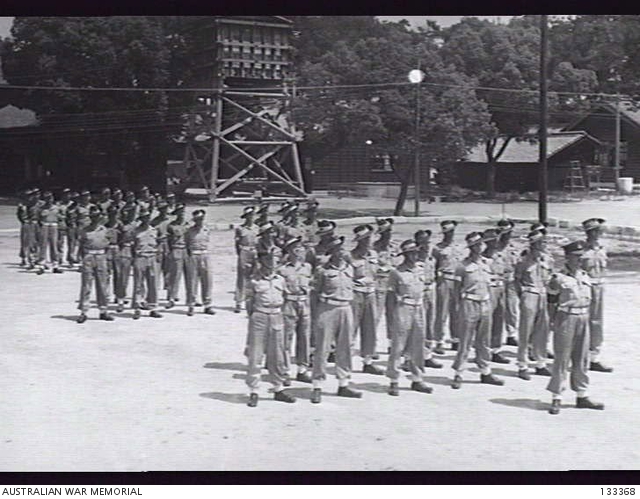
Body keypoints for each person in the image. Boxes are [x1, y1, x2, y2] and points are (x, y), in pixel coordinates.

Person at [546, 240, 604, 414]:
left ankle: (582, 395)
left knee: (582, 358)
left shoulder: (585, 275)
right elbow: (551, 301)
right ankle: (557, 397)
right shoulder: (558, 278)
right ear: (567, 257)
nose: (580, 260)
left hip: (583, 317)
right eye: (576, 257)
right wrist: (552, 321)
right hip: (566, 317)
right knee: (562, 358)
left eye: (581, 257)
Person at [311, 235, 362, 404]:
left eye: (342, 249)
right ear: (330, 252)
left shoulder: (350, 269)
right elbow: (314, 294)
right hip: (327, 308)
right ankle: (317, 385)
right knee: (323, 348)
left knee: (346, 347)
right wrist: (315, 316)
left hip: (346, 308)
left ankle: (343, 384)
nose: (341, 253)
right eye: (337, 250)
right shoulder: (322, 270)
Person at [451, 232, 505, 389]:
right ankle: (459, 373)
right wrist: (459, 308)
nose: (479, 247)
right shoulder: (463, 266)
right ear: (471, 248)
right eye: (475, 245)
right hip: (469, 303)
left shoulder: (487, 263)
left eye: (480, 244)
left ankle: (485, 371)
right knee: (466, 340)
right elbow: (456, 290)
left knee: (484, 341)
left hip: (485, 303)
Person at [244, 248, 296, 407]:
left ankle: (278, 388)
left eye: (276, 258)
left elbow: (287, 299)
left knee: (277, 355)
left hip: (277, 317)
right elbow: (249, 303)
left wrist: (280, 315)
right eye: (269, 258)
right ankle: (254, 391)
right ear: (262, 260)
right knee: (256, 355)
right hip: (260, 317)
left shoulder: (281, 279)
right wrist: (256, 317)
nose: (273, 262)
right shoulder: (254, 280)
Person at [386, 239, 436, 396]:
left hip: (419, 307)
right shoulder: (397, 272)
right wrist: (392, 318)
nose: (415, 256)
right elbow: (390, 297)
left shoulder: (421, 269)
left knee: (418, 344)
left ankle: (417, 378)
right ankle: (394, 380)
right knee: (398, 346)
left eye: (416, 252)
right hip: (403, 308)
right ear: (405, 255)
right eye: (411, 253)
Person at [514, 229, 553, 380]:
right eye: (542, 242)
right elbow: (516, 280)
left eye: (545, 241)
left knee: (542, 330)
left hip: (543, 294)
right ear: (534, 244)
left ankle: (540, 363)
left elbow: (549, 277)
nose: (545, 244)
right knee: (525, 331)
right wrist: (523, 296)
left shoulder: (547, 259)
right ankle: (522, 365)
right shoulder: (524, 261)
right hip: (529, 294)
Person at [278, 236, 313, 383]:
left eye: (302, 248)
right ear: (291, 251)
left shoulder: (308, 267)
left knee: (304, 337)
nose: (301, 251)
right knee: (286, 338)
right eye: (297, 248)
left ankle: (302, 369)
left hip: (304, 304)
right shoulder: (282, 269)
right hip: (289, 305)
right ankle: (285, 371)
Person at [580, 217, 613, 373]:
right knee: (582, 322)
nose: (598, 234)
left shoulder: (602, 248)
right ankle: (579, 357)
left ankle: (594, 358)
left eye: (599, 231)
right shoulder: (581, 250)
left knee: (597, 323)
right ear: (589, 233)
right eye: (595, 231)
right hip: (585, 289)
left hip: (599, 288)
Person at [350, 224, 383, 375]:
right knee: (351, 328)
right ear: (360, 241)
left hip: (371, 293)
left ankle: (368, 361)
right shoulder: (351, 256)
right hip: (356, 294)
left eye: (370, 238)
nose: (369, 241)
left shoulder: (374, 255)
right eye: (366, 239)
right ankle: (346, 360)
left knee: (370, 328)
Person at [76, 206, 114, 323]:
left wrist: (108, 261)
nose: (95, 219)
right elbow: (81, 247)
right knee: (86, 284)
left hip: (101, 257)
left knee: (102, 285)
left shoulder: (105, 230)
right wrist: (81, 261)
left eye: (97, 216)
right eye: (92, 217)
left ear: (100, 217)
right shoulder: (84, 230)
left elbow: (108, 246)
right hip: (89, 257)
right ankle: (84, 311)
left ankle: (103, 310)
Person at [415, 230, 442, 369]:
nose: (425, 245)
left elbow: (438, 270)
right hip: (419, 292)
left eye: (427, 242)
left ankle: (427, 355)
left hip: (431, 289)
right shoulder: (413, 259)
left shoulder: (432, 257)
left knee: (430, 323)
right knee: (418, 324)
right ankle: (410, 357)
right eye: (422, 242)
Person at [482, 228, 510, 364]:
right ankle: (484, 348)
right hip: (490, 288)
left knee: (499, 318)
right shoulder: (483, 258)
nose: (495, 242)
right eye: (492, 240)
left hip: (500, 287)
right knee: (488, 320)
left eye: (496, 239)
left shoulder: (499, 256)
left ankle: (495, 350)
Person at [433, 220, 462, 353]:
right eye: (447, 232)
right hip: (444, 279)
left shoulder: (459, 246)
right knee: (442, 311)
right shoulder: (438, 248)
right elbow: (434, 266)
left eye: (452, 232)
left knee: (456, 311)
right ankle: (439, 340)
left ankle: (456, 338)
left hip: (457, 280)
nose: (450, 234)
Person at [131, 209, 163, 319]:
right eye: (144, 218)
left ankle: (153, 307)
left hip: (152, 257)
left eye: (148, 217)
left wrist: (158, 254)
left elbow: (159, 244)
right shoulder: (136, 231)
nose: (146, 219)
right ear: (141, 219)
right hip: (140, 257)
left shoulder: (155, 230)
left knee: (153, 283)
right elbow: (131, 246)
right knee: (139, 283)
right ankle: (137, 307)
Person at [372, 217, 397, 352]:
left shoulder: (395, 246)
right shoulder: (374, 247)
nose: (387, 235)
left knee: (393, 315)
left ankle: (392, 342)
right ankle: (372, 344)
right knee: (376, 315)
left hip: (393, 284)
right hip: (379, 283)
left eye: (389, 232)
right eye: (384, 232)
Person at [185, 209, 215, 316]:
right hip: (193, 255)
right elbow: (186, 244)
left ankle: (207, 305)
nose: (200, 221)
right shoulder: (189, 231)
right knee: (192, 280)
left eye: (202, 219)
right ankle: (191, 305)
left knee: (207, 279)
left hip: (205, 255)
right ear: (194, 220)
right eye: (198, 219)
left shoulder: (207, 229)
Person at [496, 219, 520, 347]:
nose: (506, 235)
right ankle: (495, 336)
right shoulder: (493, 247)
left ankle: (511, 334)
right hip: (498, 279)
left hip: (511, 279)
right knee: (497, 308)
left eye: (508, 232)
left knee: (511, 308)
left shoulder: (515, 247)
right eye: (503, 232)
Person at [166, 203, 190, 309]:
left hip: (187, 250)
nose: (182, 214)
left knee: (191, 276)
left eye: (183, 212)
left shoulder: (188, 225)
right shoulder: (171, 226)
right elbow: (168, 241)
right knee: (175, 275)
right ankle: (171, 298)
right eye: (180, 212)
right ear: (176, 213)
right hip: (176, 249)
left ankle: (191, 298)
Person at [234, 206, 258, 313]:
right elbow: (236, 244)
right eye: (249, 215)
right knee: (242, 277)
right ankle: (239, 302)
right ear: (246, 217)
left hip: (255, 252)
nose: (251, 217)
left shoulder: (257, 228)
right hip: (244, 251)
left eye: (252, 215)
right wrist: (241, 254)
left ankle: (252, 301)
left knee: (254, 277)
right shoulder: (240, 228)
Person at [115, 204, 138, 313]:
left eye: (132, 212)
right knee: (122, 277)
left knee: (139, 279)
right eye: (128, 212)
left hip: (136, 252)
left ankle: (139, 300)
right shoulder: (119, 225)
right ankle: (120, 300)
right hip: (123, 251)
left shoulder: (136, 225)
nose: (130, 214)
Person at [35, 191, 63, 274]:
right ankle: (42, 265)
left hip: (54, 226)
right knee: (43, 245)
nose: (49, 200)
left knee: (54, 246)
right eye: (47, 198)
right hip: (44, 226)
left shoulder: (57, 208)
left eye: (50, 198)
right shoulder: (41, 208)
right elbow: (38, 218)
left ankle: (55, 265)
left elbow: (62, 217)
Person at [151, 200, 172, 296]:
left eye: (165, 208)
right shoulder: (154, 222)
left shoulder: (171, 220)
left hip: (169, 245)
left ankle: (170, 294)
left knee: (169, 270)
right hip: (158, 246)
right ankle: (155, 293)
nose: (163, 210)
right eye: (161, 209)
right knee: (156, 270)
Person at [104, 204, 122, 303]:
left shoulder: (120, 225)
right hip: (108, 249)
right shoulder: (105, 226)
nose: (113, 215)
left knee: (118, 273)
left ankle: (118, 296)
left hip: (117, 248)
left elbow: (124, 237)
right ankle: (106, 295)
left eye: (115, 213)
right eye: (111, 213)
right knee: (106, 273)